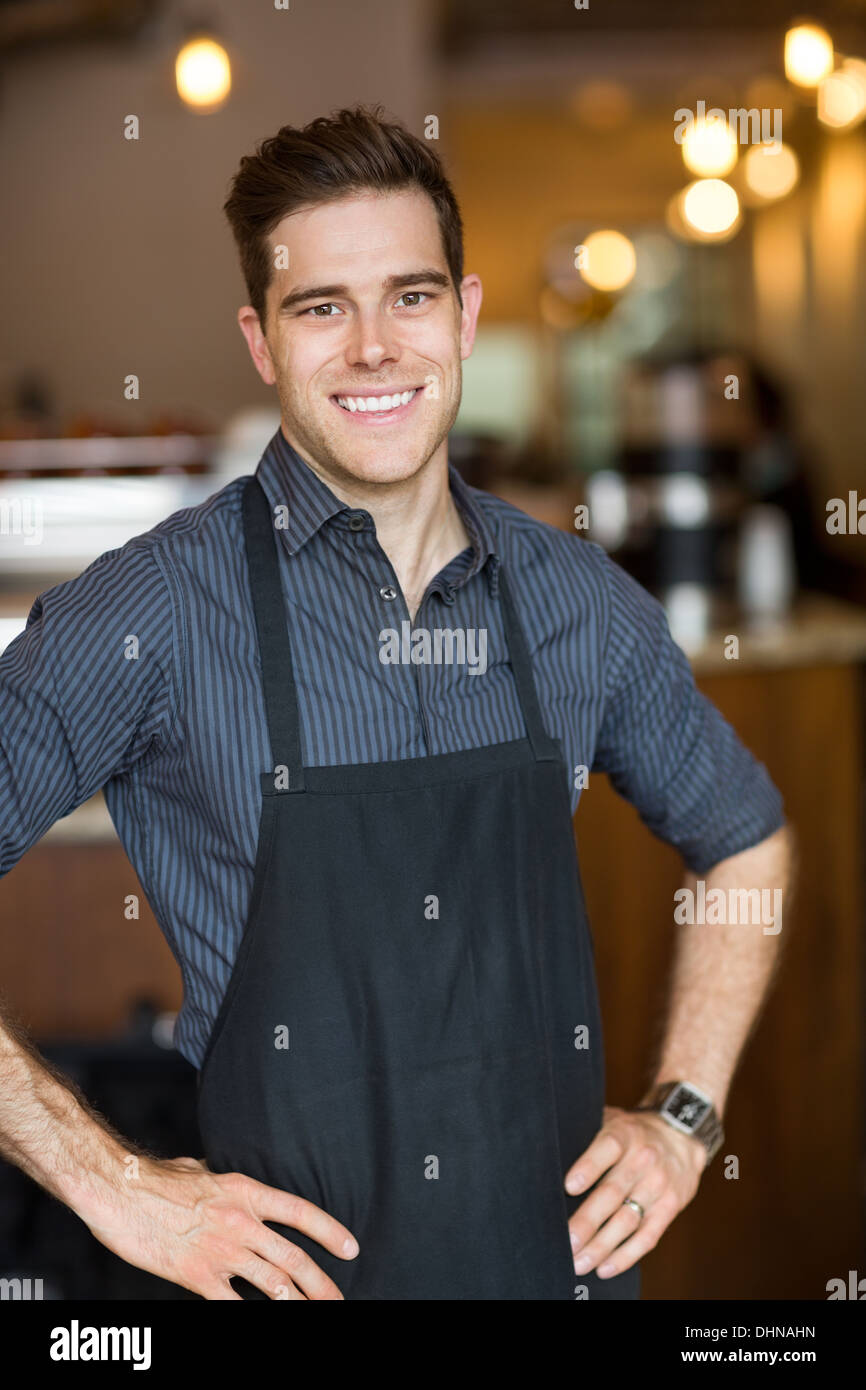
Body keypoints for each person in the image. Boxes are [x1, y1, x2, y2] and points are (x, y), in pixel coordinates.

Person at [0, 105, 792, 1301]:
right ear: (262, 341)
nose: (373, 345)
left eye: (409, 297)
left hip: (559, 1280)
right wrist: (111, 1183)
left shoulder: (577, 597)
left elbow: (743, 842)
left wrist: (682, 1117)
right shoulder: (152, 610)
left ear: (462, 317)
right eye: (322, 307)